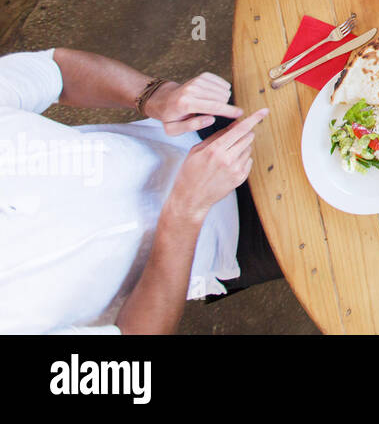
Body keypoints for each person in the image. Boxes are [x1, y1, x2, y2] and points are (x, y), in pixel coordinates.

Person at [0, 47, 273, 333]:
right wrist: (185, 211)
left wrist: (155, 96)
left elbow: (56, 69)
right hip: (235, 240)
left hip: (204, 129)